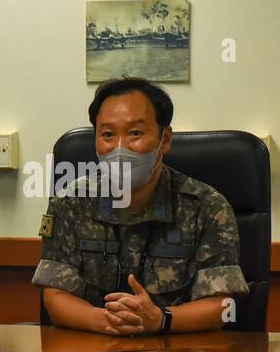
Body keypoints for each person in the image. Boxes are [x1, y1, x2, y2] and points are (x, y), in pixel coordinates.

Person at [33, 78, 248, 335]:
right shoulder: (70, 202)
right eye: (108, 135)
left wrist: (160, 319)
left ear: (164, 140)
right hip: (91, 350)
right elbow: (55, 296)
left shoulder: (208, 207)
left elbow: (222, 307)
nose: (120, 148)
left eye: (135, 133)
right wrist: (104, 320)